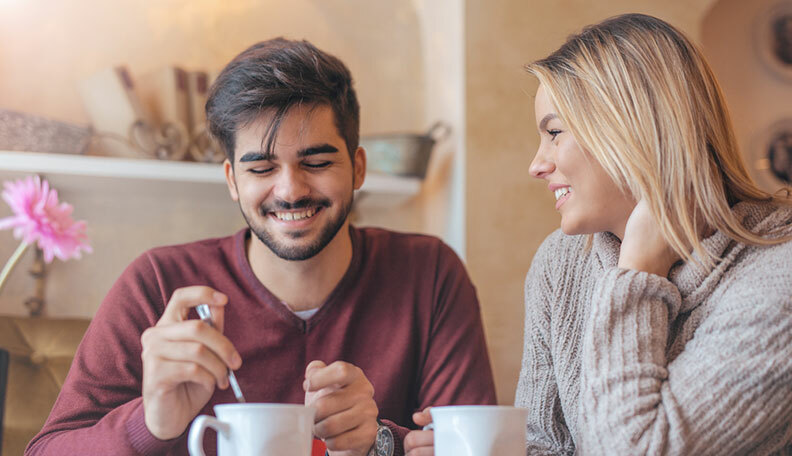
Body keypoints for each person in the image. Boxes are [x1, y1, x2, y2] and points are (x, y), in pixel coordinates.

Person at [26, 38, 496, 456]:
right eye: (261, 168)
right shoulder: (158, 283)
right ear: (232, 180)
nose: (290, 190)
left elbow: (470, 443)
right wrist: (150, 424)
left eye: (315, 161)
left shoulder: (428, 272)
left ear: (357, 168)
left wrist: (380, 442)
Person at [513, 13, 792, 455]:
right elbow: (542, 446)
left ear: (631, 130)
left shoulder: (779, 284)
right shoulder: (560, 263)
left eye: (554, 133)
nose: (537, 164)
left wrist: (637, 277)